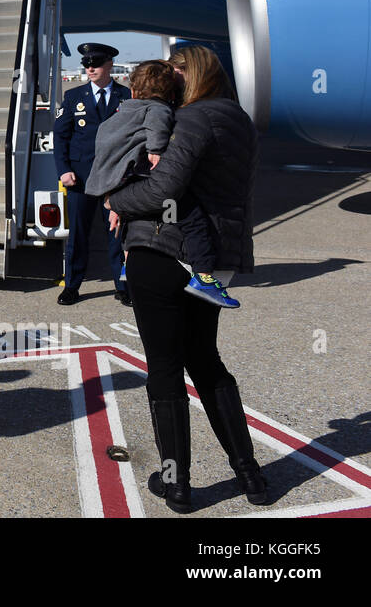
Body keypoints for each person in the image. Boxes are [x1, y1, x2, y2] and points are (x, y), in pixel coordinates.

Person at [107, 45, 268, 512]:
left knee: (164, 365)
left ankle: (177, 484)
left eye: (175, 73)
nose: (169, 82)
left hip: (164, 252)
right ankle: (250, 476)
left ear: (190, 75)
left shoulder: (193, 119)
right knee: (205, 359)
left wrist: (117, 201)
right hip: (213, 260)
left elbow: (163, 188)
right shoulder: (237, 119)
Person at [87, 60, 239, 309]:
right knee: (193, 219)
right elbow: (158, 122)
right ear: (170, 94)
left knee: (128, 214)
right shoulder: (158, 108)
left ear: (133, 90)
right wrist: (157, 149)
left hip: (112, 180)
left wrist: (112, 190)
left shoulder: (122, 111)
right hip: (136, 175)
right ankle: (203, 276)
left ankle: (127, 263)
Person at [53, 42, 131, 306]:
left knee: (117, 234)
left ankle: (123, 285)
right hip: (81, 179)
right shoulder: (74, 97)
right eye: (86, 64)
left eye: (95, 63)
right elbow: (61, 136)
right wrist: (64, 170)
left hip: (115, 179)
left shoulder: (126, 96)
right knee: (78, 235)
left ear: (109, 65)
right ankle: (72, 286)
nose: (90, 68)